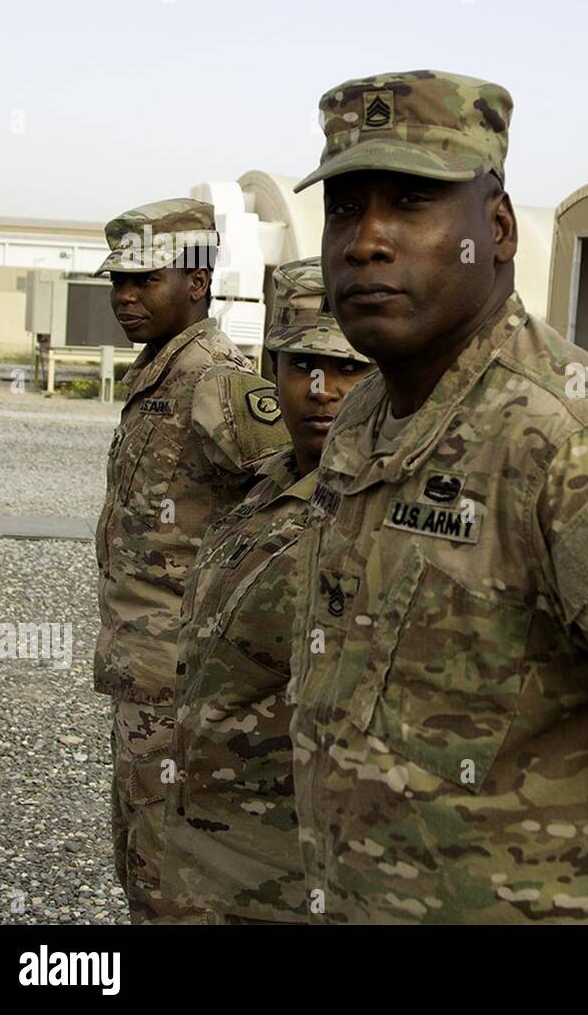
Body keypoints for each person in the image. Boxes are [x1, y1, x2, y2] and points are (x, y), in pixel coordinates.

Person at [288, 69, 588, 923]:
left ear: (495, 229)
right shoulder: (363, 419)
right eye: (346, 207)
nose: (366, 241)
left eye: (413, 202)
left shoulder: (581, 445)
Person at [92, 198, 291, 923]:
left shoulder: (216, 379)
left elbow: (297, 505)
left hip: (185, 688)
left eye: (144, 280)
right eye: (118, 281)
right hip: (145, 679)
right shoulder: (161, 372)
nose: (125, 296)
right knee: (144, 867)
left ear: (199, 282)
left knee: (178, 883)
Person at [162, 257, 373, 923]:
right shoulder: (264, 483)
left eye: (347, 368)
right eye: (300, 365)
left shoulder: (378, 511)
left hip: (295, 868)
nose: (319, 388)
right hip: (218, 847)